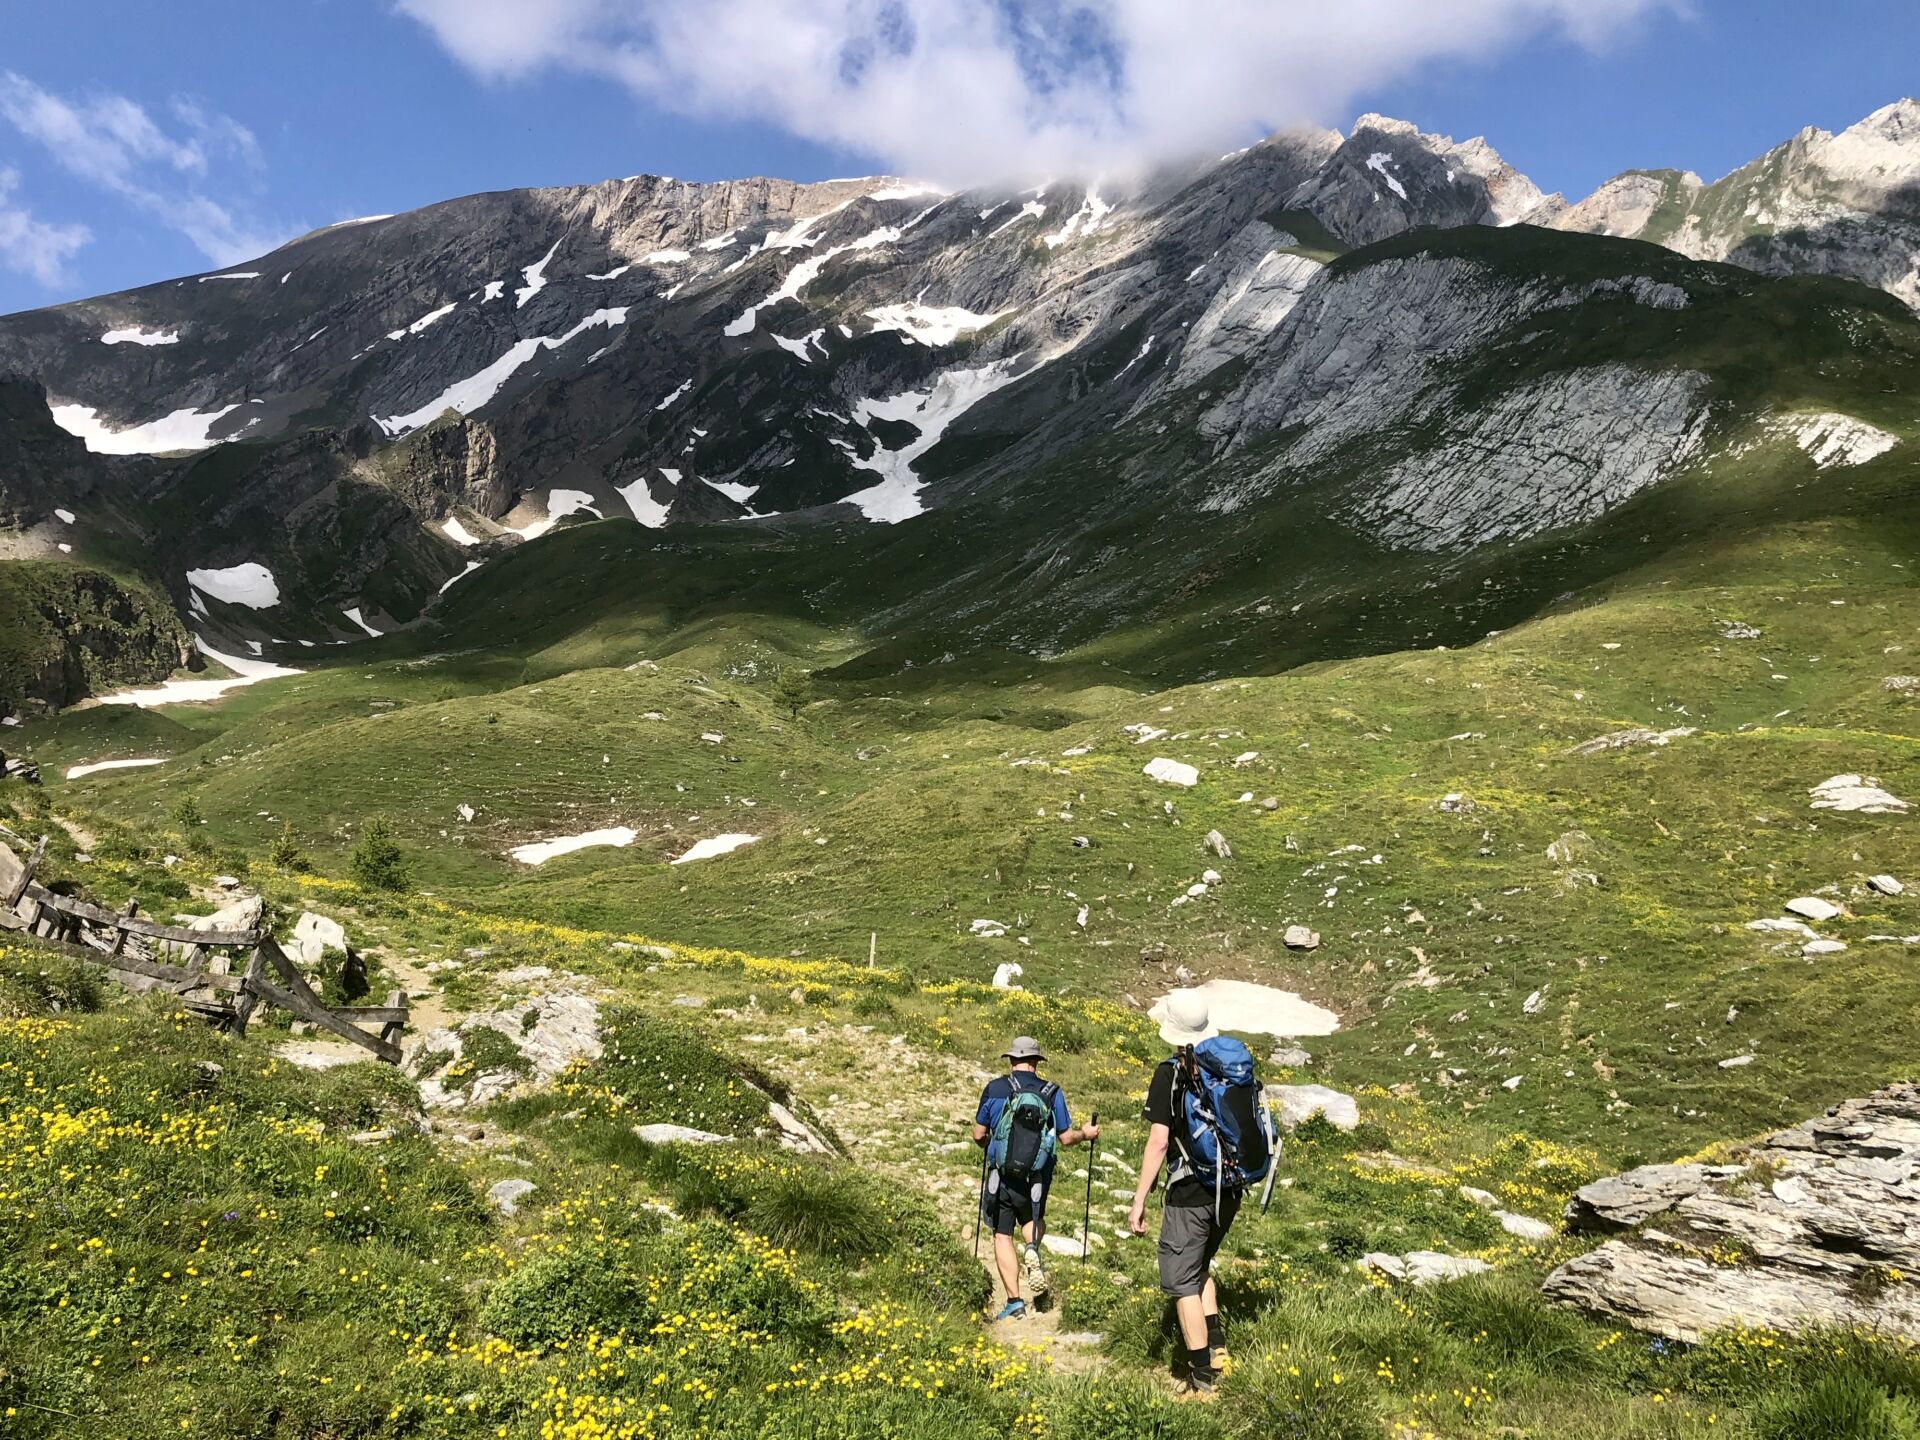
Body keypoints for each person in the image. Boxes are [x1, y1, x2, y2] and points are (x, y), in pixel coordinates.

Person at [1128, 992, 1257, 1399]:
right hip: (1230, 1186)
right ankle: (1218, 1349)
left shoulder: (1171, 1072)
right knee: (1200, 1264)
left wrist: (1139, 1200)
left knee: (1181, 1282)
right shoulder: (1226, 1066)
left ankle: (1202, 1378)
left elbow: (1158, 1143)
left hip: (1191, 1191)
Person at [972, 1035, 1099, 1321]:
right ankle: (1031, 1248)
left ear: (1011, 1060)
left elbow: (978, 1134)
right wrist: (1086, 1134)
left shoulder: (994, 1088)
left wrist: (989, 1142)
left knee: (1002, 1233)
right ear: (1037, 1062)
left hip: (1001, 1175)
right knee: (1032, 1220)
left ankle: (1015, 1301)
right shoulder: (1052, 1092)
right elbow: (1066, 1138)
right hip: (1036, 1177)